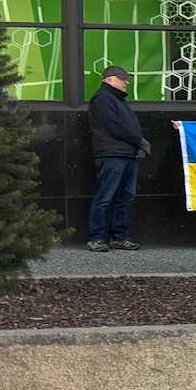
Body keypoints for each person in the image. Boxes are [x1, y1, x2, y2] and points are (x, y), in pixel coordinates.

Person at [84, 64, 147, 252]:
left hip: (124, 154)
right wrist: (139, 141)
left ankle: (118, 236)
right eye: (123, 78)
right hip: (112, 154)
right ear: (110, 79)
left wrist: (137, 144)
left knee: (124, 198)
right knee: (106, 197)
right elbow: (115, 127)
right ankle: (97, 237)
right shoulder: (103, 99)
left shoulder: (114, 99)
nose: (126, 82)